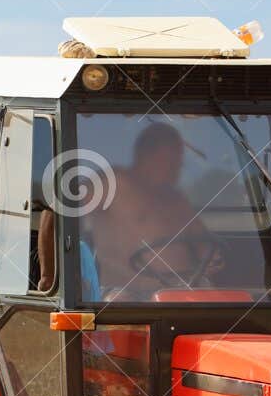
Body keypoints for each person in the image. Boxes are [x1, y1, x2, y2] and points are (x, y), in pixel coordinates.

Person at [86, 121, 222, 300]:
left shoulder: (177, 200)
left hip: (181, 291)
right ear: (145, 156)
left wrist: (212, 260)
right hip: (127, 293)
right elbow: (59, 208)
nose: (176, 170)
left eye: (179, 164)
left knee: (221, 300)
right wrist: (49, 275)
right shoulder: (113, 184)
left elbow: (205, 245)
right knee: (119, 302)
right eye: (170, 162)